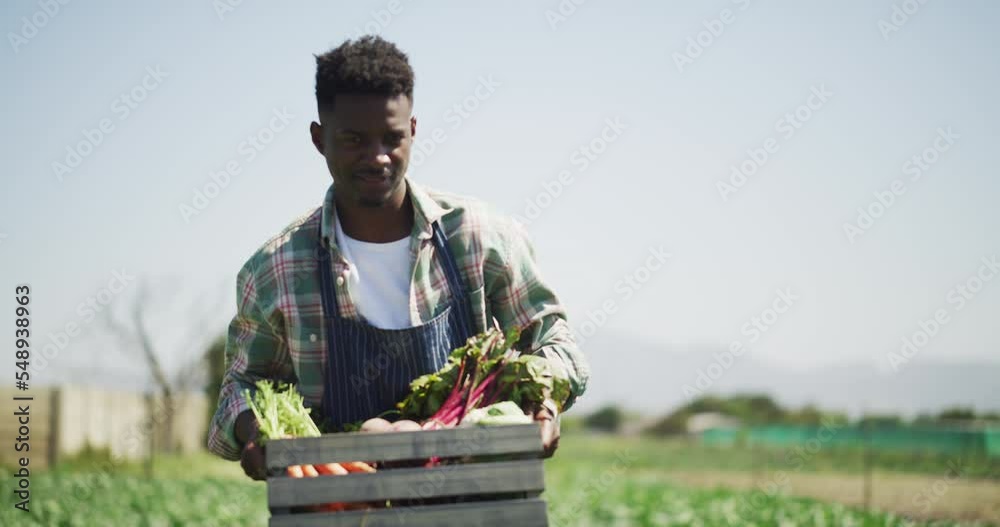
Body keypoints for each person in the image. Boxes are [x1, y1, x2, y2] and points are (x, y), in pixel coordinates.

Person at [205, 35, 589, 480]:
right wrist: (253, 432)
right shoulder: (277, 269)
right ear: (318, 139)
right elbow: (241, 386)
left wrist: (544, 404)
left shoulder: (482, 239)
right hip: (337, 500)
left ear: (413, 131)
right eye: (353, 140)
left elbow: (555, 343)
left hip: (479, 497)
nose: (377, 157)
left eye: (392, 137)